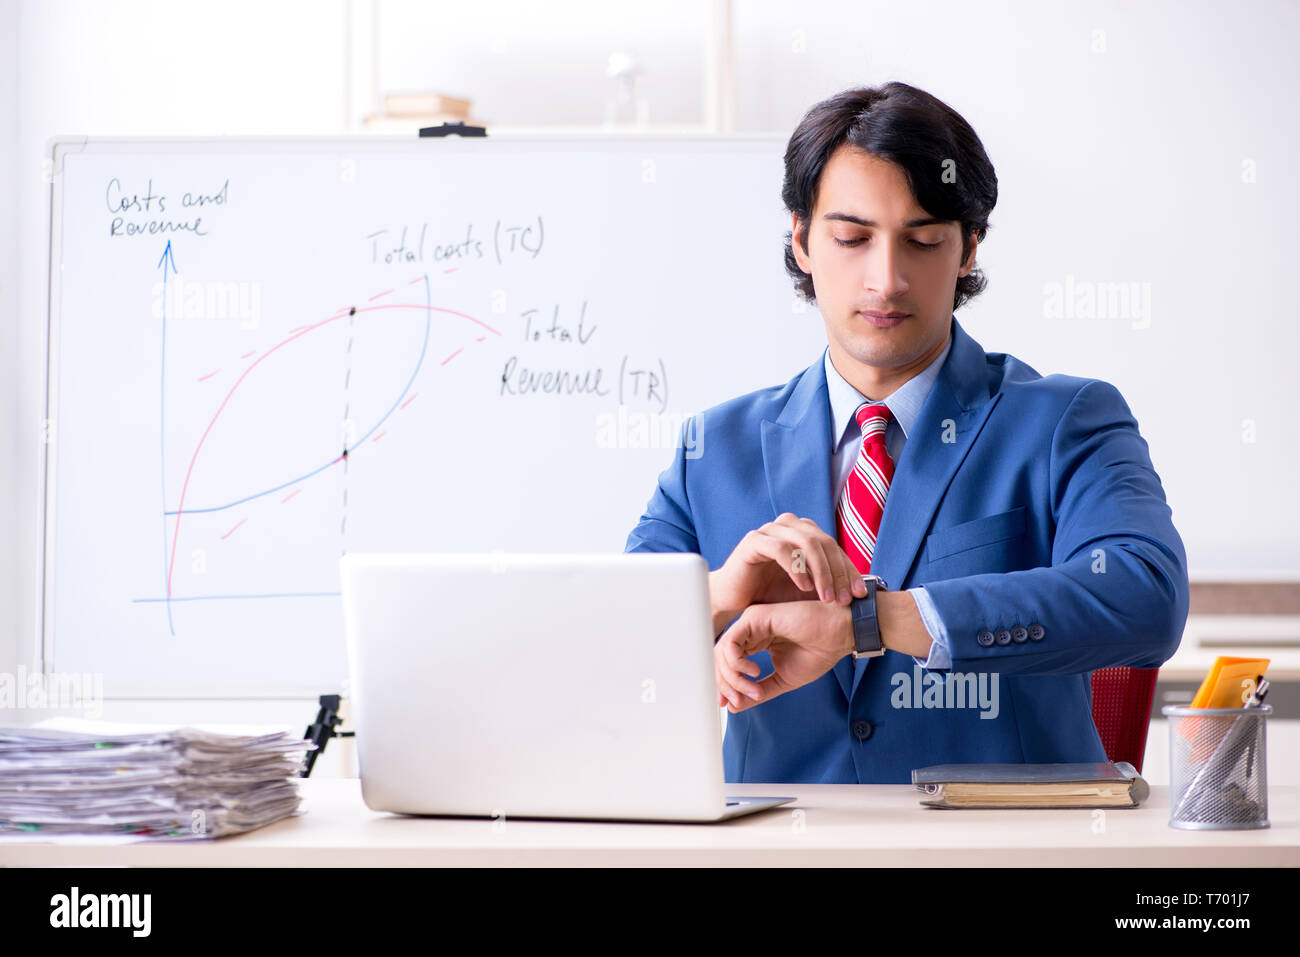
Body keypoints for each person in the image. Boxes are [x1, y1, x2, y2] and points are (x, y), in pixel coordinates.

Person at [624, 81, 1189, 784]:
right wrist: (713, 599)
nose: (886, 279)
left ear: (968, 250)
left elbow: (1145, 597)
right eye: (851, 238)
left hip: (1001, 847)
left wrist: (874, 622)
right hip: (778, 847)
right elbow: (608, 655)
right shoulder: (712, 449)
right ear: (800, 241)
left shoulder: (1065, 421)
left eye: (922, 240)